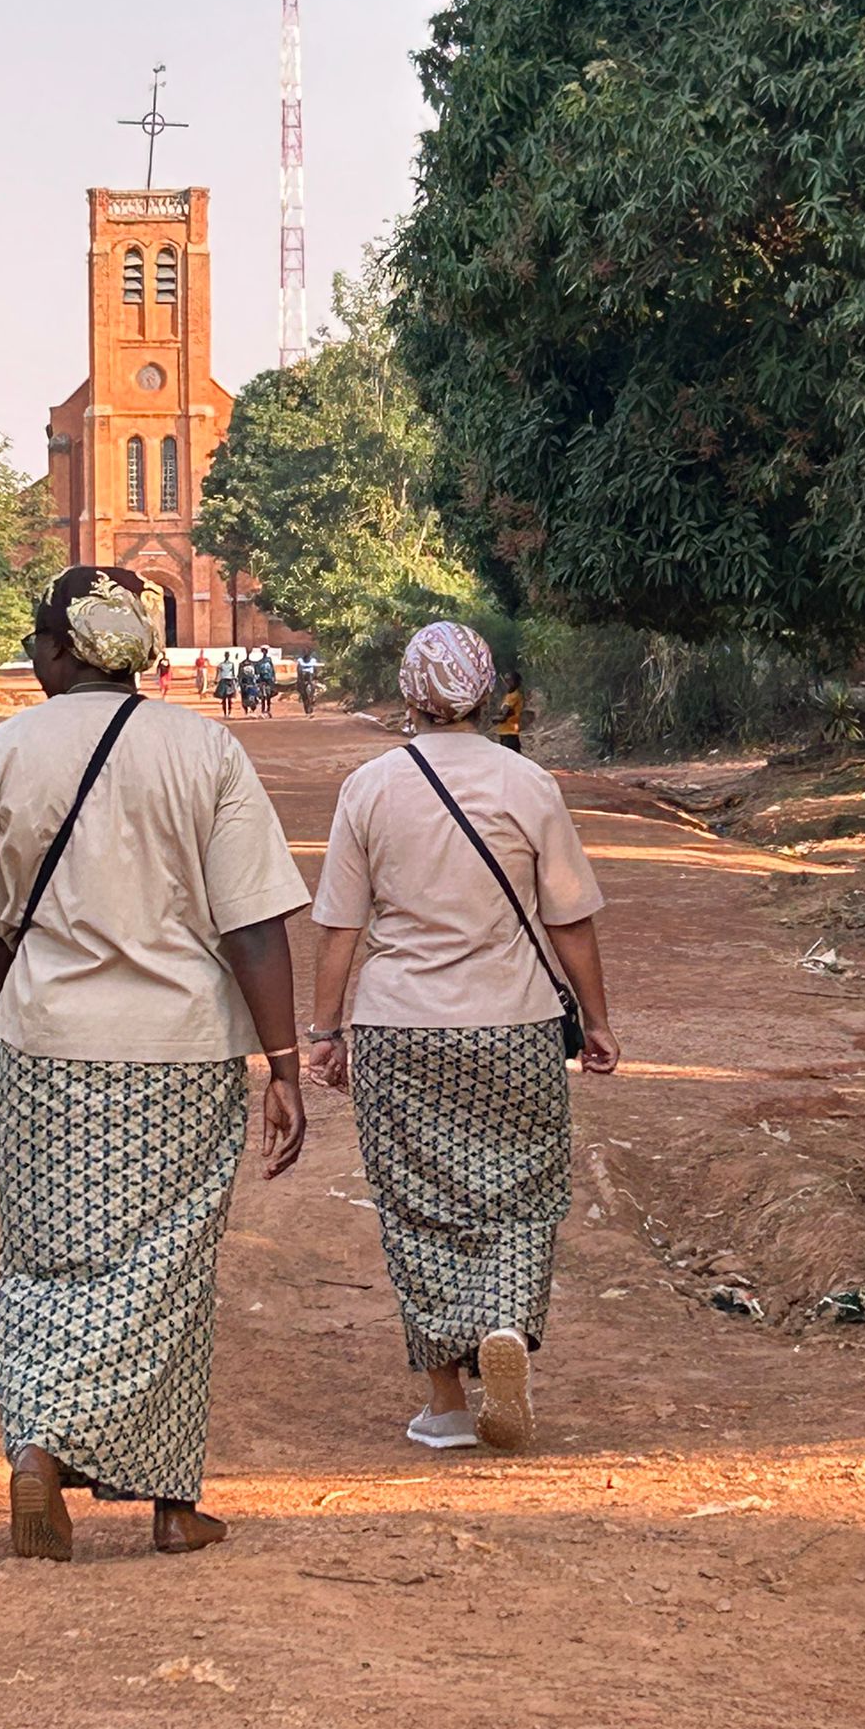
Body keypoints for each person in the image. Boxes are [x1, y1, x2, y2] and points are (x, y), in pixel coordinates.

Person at [0, 566, 310, 1564]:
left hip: (49, 1049)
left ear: (58, 650)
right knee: (168, 1272)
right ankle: (171, 1505)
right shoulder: (206, 748)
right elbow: (256, 924)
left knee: (46, 1261)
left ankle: (39, 1445)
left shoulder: (8, 749)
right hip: (182, 1055)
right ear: (138, 648)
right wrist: (284, 1063)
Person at [308, 621, 619, 1457]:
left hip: (399, 1027)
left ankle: (446, 1401)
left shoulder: (369, 788)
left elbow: (340, 925)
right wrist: (595, 1020)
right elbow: (570, 918)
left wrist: (324, 1031)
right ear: (486, 695)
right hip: (513, 1024)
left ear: (411, 696)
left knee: (417, 1204)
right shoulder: (529, 784)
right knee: (520, 1191)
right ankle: (505, 1327)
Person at [493, 670, 525, 753]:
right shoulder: (509, 695)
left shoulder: (514, 696)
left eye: (510, 680)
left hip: (510, 732)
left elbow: (504, 714)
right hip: (506, 732)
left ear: (516, 682)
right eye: (506, 680)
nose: (507, 683)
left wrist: (495, 718)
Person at [295, 648, 321, 717]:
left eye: (307, 653)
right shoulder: (300, 661)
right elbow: (298, 669)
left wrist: (316, 676)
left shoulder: (313, 660)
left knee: (312, 694)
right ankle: (307, 710)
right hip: (302, 678)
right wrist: (299, 677)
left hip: (310, 677)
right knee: (304, 696)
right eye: (305, 652)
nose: (306, 654)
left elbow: (315, 669)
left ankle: (311, 708)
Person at [256, 646, 278, 718]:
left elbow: (272, 669)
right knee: (263, 695)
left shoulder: (269, 660)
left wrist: (274, 677)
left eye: (265, 651)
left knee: (269, 694)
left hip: (269, 678)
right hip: (262, 679)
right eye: (264, 651)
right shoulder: (260, 662)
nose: (265, 652)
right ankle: (263, 709)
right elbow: (258, 671)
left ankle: (268, 709)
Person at [214, 651, 237, 718]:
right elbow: (218, 673)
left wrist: (234, 680)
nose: (227, 656)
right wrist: (216, 679)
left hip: (229, 681)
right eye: (226, 655)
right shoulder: (221, 664)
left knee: (229, 699)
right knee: (224, 699)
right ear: (225, 656)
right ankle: (225, 713)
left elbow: (233, 673)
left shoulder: (231, 664)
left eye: (228, 655)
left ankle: (229, 713)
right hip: (223, 680)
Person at [238, 649, 260, 717]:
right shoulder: (242, 664)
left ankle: (251, 710)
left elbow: (256, 674)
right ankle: (246, 711)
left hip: (251, 684)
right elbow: (240, 675)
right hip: (245, 684)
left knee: (252, 698)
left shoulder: (253, 664)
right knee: (245, 698)